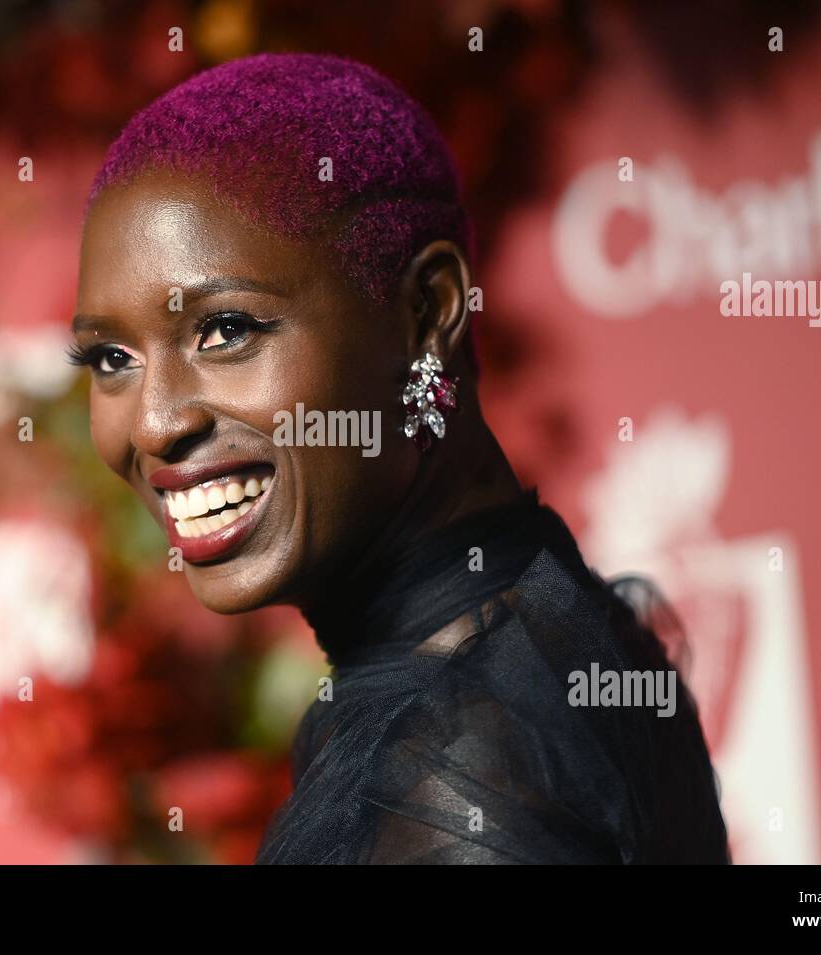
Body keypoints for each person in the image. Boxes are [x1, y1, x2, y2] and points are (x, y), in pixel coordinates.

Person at [69, 51, 730, 863]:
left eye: (227, 330)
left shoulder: (466, 769)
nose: (154, 424)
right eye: (110, 359)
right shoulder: (530, 647)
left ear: (427, 314)